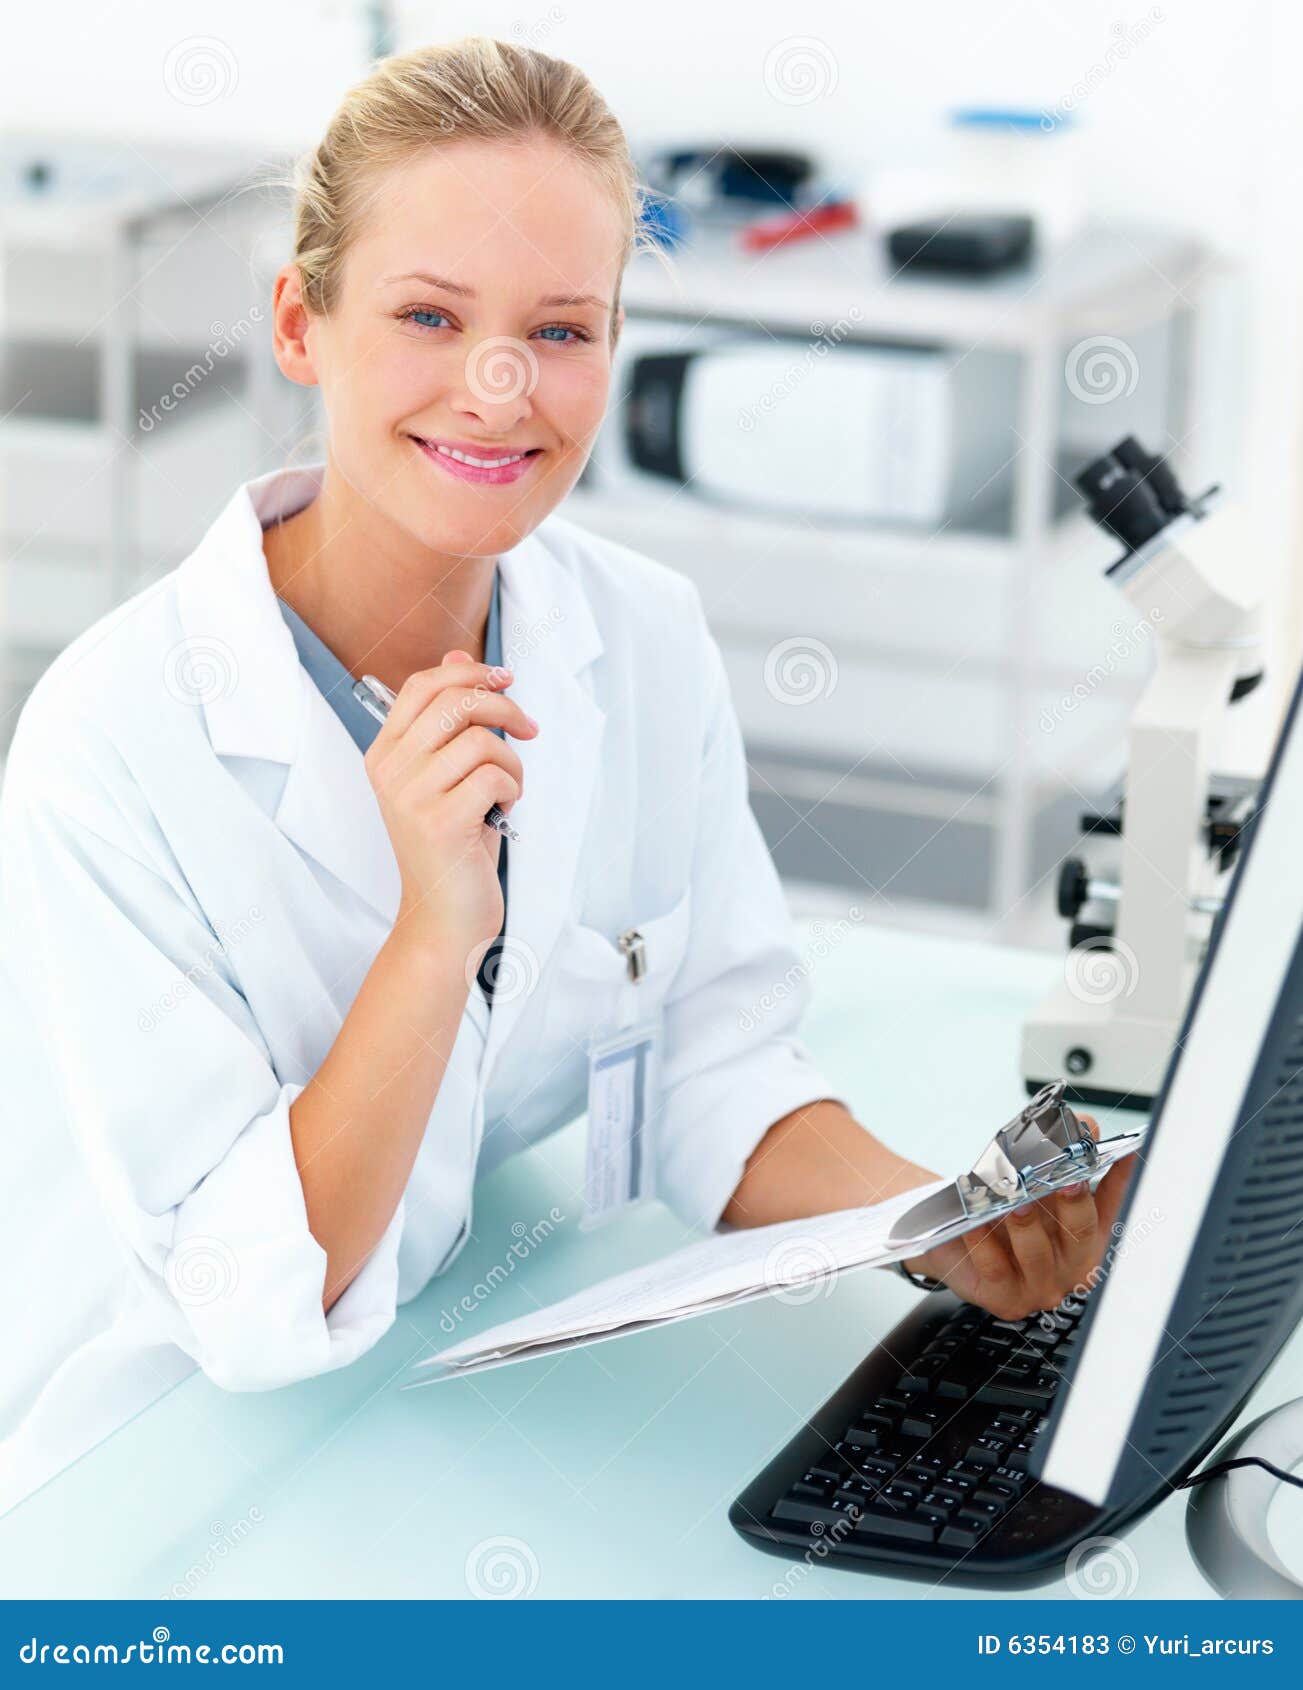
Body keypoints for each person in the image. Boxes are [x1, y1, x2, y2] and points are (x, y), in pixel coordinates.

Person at [0, 36, 1131, 1517]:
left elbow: (712, 1058)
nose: (498, 389)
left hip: (425, 1401)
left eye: (559, 329)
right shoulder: (110, 739)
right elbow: (250, 1289)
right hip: (157, 1450)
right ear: (298, 323)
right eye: (428, 314)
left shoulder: (639, 635)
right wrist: (436, 929)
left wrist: (937, 1225)